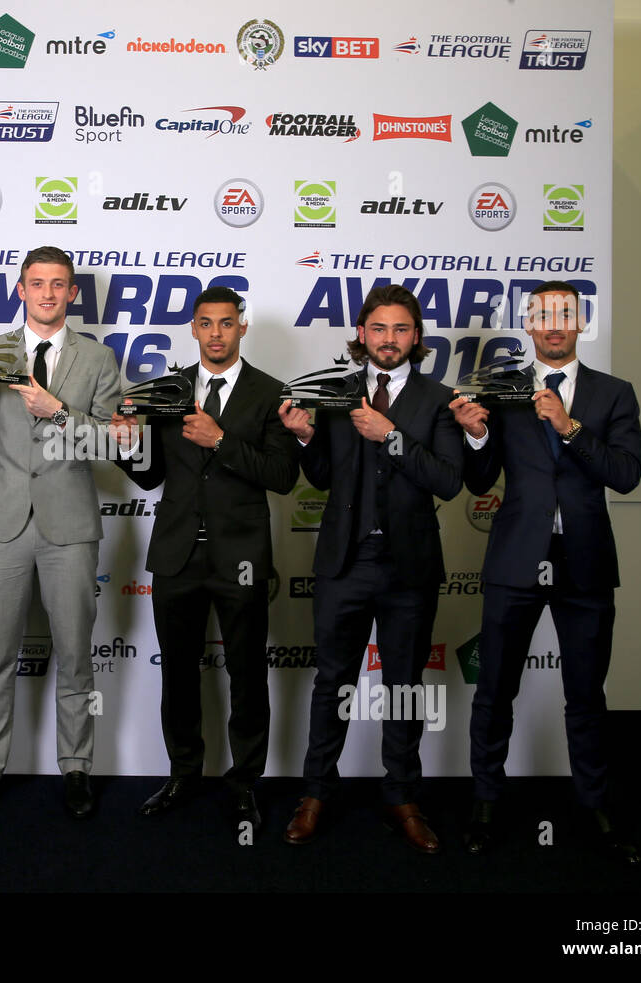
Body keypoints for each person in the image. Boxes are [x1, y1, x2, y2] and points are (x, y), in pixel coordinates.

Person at [449, 280, 641, 862]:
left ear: (581, 322)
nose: (554, 325)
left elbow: (627, 475)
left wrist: (569, 427)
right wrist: (477, 433)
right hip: (516, 558)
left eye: (565, 314)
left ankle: (595, 803)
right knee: (494, 688)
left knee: (585, 694)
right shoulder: (501, 389)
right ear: (529, 325)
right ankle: (485, 802)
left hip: (585, 561)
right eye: (543, 316)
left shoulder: (614, 393)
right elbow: (480, 481)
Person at [278, 284, 462, 851]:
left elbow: (450, 481)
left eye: (401, 330)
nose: (389, 340)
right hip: (344, 564)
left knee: (404, 686)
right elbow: (324, 474)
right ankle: (315, 793)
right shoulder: (336, 392)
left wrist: (394, 438)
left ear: (417, 337)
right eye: (379, 329)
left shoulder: (439, 398)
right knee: (333, 680)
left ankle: (402, 796)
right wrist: (307, 435)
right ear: (362, 334)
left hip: (409, 568)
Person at [112, 286, 298, 830]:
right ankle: (183, 772)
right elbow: (149, 477)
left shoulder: (271, 392)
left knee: (245, 673)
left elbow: (283, 476)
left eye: (225, 323)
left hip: (241, 556)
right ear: (193, 329)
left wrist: (221, 441)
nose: (215, 333)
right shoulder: (167, 391)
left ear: (242, 328)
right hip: (175, 556)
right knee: (178, 673)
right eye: (205, 323)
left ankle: (245, 781)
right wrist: (128, 445)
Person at [0, 246, 120, 819]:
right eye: (37, 283)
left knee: (74, 657)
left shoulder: (97, 358)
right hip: (0, 524)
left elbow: (113, 443)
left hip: (69, 525)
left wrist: (57, 410)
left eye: (59, 284)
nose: (48, 293)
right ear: (20, 289)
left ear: (73, 293)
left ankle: (76, 770)